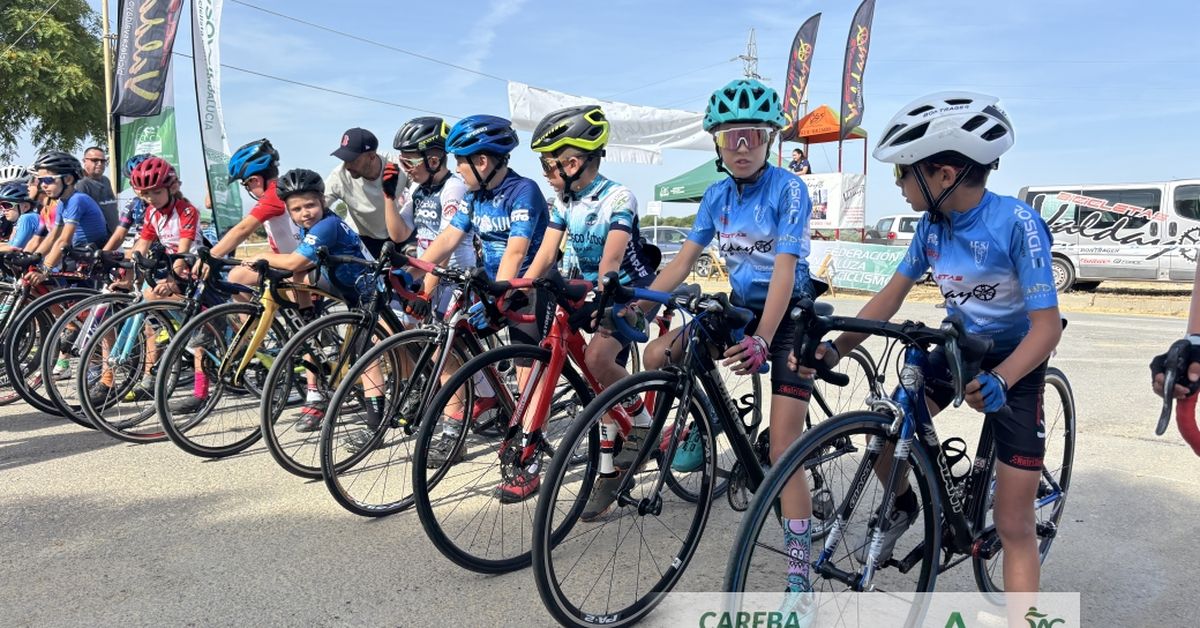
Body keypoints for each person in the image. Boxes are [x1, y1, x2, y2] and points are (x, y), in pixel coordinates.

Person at [794, 91, 1060, 595]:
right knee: (887, 434)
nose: (898, 184)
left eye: (903, 171)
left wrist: (1004, 378)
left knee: (1013, 526)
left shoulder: (1016, 224)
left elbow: (1047, 328)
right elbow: (888, 299)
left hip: (1017, 362)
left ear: (944, 174)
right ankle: (904, 505)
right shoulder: (931, 226)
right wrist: (836, 347)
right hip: (959, 350)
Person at [629, 79, 816, 593]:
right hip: (740, 309)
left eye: (752, 135)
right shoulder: (716, 195)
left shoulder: (788, 189)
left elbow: (784, 270)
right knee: (658, 353)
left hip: (789, 315)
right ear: (715, 141)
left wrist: (762, 337)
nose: (740, 147)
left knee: (783, 450)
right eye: (730, 136)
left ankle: (800, 571)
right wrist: (639, 306)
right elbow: (683, 261)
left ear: (769, 139)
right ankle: (702, 418)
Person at [522, 104, 658, 518]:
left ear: (573, 162)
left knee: (599, 359)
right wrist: (518, 287)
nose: (545, 171)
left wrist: (604, 291)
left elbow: (612, 257)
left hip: (629, 290)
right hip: (585, 290)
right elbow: (547, 252)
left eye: (548, 164)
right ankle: (609, 465)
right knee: (589, 375)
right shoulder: (563, 200)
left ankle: (644, 421)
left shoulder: (619, 196)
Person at [417, 114, 549, 502]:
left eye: (461, 160)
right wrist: (422, 276)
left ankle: (530, 451)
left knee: (527, 372)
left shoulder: (523, 191)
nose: (457, 168)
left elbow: (517, 249)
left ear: (483, 162)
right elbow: (448, 238)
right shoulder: (474, 196)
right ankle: (487, 400)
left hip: (527, 287)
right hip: (493, 286)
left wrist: (499, 296)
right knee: (453, 335)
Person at [239, 168, 383, 433]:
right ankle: (312, 326)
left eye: (310, 205)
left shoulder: (327, 225)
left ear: (323, 202)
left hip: (368, 293)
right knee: (295, 279)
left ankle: (375, 426)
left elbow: (297, 261)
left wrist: (263, 257)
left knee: (367, 357)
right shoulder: (310, 226)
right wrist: (306, 312)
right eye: (296, 209)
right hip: (345, 287)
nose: (304, 213)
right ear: (289, 211)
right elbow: (300, 270)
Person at [25, 151, 111, 286]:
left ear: (68, 179)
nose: (43, 185)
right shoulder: (62, 203)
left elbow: (63, 240)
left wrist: (45, 269)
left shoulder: (77, 200)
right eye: (40, 181)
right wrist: (33, 256)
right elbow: (53, 236)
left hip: (96, 260)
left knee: (81, 303)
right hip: (80, 257)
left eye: (48, 180)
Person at [325, 127, 409, 257]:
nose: (347, 165)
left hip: (398, 233)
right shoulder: (339, 175)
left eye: (352, 159)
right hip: (364, 238)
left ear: (372, 155)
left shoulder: (398, 166)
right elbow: (318, 205)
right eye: (344, 159)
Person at [76, 146, 120, 233]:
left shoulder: (106, 180)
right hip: (95, 239)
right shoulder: (81, 183)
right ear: (84, 161)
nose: (99, 163)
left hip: (113, 236)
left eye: (103, 161)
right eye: (95, 160)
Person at [0, 182, 41, 252]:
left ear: (26, 207)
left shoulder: (26, 218)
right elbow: (10, 245)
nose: (3, 210)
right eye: (1, 206)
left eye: (7, 205)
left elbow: (15, 248)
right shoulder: (21, 219)